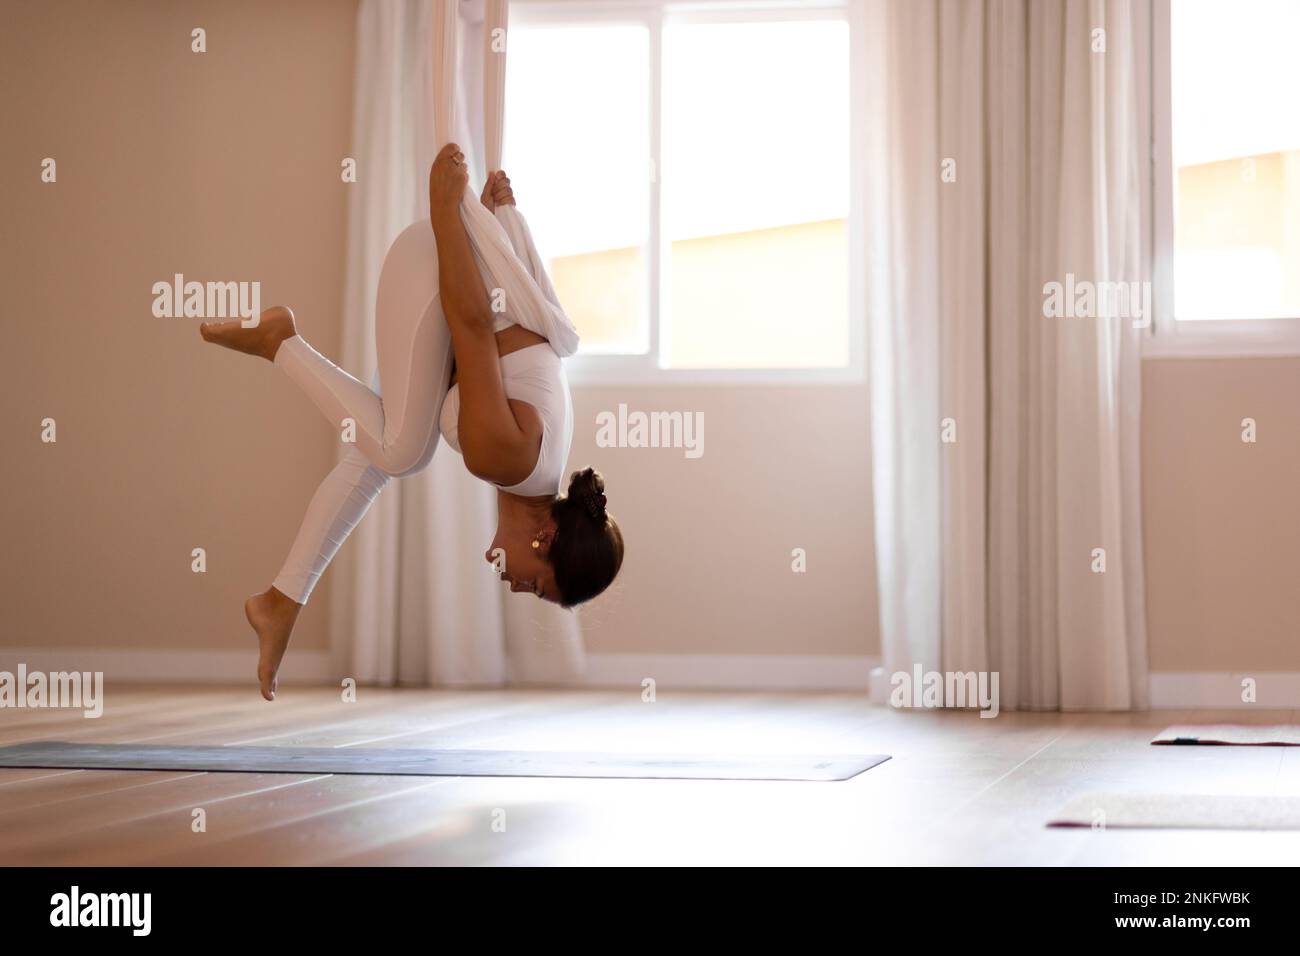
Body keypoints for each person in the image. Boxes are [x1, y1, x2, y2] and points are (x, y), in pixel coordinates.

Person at [200, 144, 623, 700]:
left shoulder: (536, 468)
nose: (516, 586)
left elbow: (506, 329)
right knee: (402, 451)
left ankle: (281, 601)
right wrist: (446, 207)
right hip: (434, 269)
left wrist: (502, 222)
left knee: (381, 450)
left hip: (451, 276)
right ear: (545, 538)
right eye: (537, 586)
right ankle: (280, 342)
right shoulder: (507, 460)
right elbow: (472, 326)